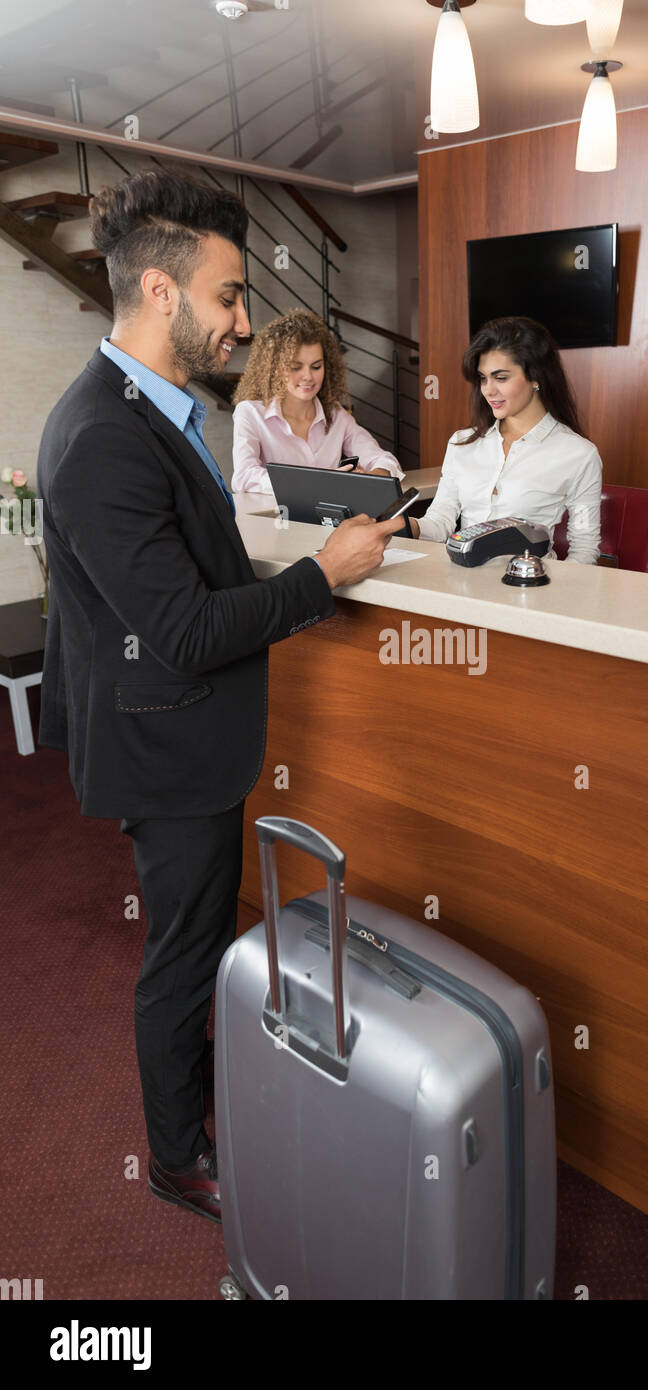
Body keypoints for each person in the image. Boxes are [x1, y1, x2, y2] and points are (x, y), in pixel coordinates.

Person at [36, 170, 403, 1225]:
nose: (245, 319)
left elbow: (190, 579)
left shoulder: (150, 407)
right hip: (164, 742)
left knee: (191, 934)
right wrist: (321, 576)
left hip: (175, 731)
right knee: (184, 950)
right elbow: (187, 630)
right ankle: (176, 1152)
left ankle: (194, 1106)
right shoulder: (103, 434)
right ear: (160, 292)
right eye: (230, 296)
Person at [409, 316, 601, 562]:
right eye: (483, 378)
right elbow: (439, 522)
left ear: (536, 377)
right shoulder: (462, 442)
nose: (488, 390)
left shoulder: (579, 454)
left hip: (530, 588)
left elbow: (584, 550)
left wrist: (550, 593)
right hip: (460, 582)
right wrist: (399, 525)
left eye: (501, 378)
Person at [231, 310, 404, 492]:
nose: (308, 376)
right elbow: (244, 477)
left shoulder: (336, 416)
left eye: (316, 366)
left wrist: (372, 477)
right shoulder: (250, 413)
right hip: (276, 519)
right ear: (275, 368)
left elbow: (384, 460)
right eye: (296, 367)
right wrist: (317, 481)